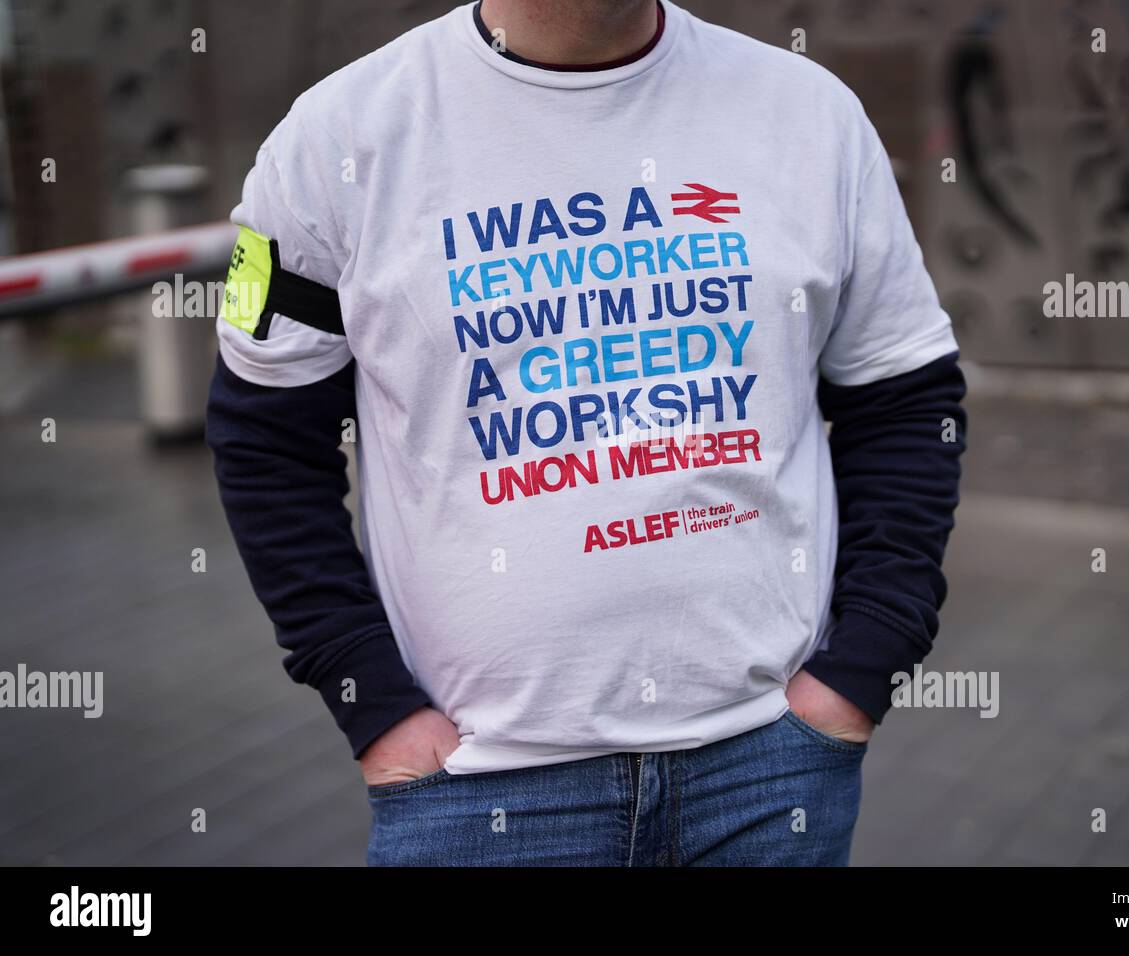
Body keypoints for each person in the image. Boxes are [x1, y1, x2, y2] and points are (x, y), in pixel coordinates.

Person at [206, 0, 966, 866]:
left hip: (770, 773)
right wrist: (373, 704)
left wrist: (863, 666)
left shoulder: (809, 113)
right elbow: (264, 437)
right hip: (479, 793)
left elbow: (905, 397)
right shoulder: (335, 138)